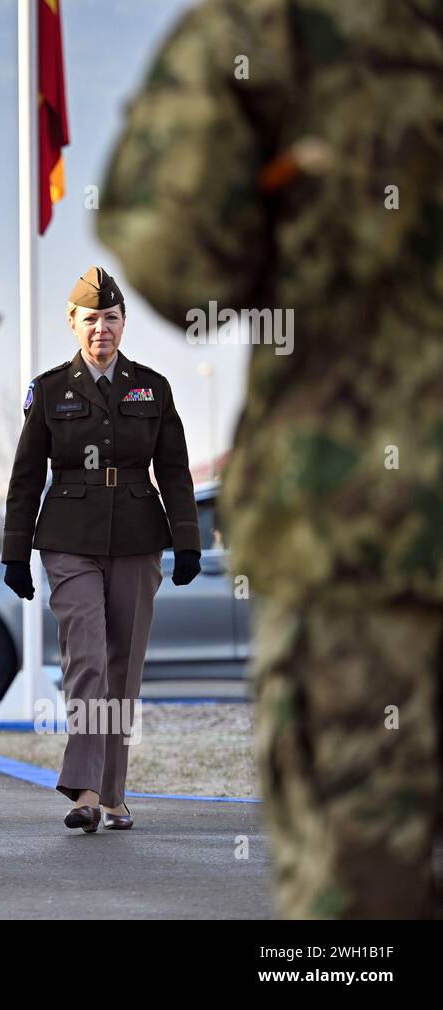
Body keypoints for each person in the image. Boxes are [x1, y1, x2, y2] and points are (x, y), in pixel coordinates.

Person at [96, 0, 443, 917]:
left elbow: (175, 256)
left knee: (359, 910)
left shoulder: (282, 25)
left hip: (369, 542)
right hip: (371, 541)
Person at [1, 267, 201, 832]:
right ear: (72, 323)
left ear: (122, 323)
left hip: (138, 538)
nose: (101, 329)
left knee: (123, 669)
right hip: (68, 538)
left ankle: (114, 795)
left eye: (110, 318)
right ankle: (84, 791)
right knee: (87, 659)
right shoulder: (49, 389)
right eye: (90, 319)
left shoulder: (152, 387)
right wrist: (14, 552)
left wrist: (187, 542)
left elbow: (176, 471)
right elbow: (23, 476)